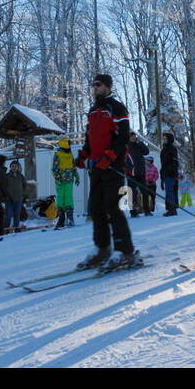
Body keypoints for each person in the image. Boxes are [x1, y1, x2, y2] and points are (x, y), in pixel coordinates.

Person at [73, 74, 140, 272]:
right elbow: (89, 140)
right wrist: (83, 156)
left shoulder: (117, 108)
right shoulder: (93, 111)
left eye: (98, 85)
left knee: (113, 207)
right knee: (96, 208)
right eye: (93, 84)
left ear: (108, 86)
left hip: (113, 168)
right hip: (96, 169)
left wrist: (108, 158)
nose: (94, 87)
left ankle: (125, 251)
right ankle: (102, 248)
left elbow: (123, 139)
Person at [51, 137, 79, 228]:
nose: (70, 145)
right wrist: (57, 178)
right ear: (65, 144)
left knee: (68, 198)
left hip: (69, 180)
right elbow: (54, 169)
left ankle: (70, 218)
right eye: (69, 143)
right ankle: (61, 219)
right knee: (60, 199)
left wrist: (77, 176)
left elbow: (73, 166)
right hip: (60, 182)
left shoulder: (70, 155)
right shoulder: (57, 155)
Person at [127, 131, 149, 217]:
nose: (133, 138)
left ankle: (147, 210)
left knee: (145, 191)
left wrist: (140, 143)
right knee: (132, 193)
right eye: (131, 136)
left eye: (134, 136)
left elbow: (146, 152)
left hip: (141, 173)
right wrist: (127, 168)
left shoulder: (138, 145)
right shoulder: (127, 146)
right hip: (131, 173)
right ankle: (133, 212)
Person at [159, 132, 180, 215]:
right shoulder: (164, 149)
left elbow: (174, 162)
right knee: (168, 191)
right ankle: (170, 208)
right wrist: (162, 176)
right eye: (163, 139)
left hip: (171, 173)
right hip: (165, 173)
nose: (164, 140)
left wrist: (171, 171)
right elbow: (163, 163)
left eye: (166, 139)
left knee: (170, 191)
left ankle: (172, 208)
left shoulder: (172, 149)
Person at [4, 159, 26, 232]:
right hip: (9, 199)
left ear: (18, 167)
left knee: (17, 216)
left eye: (15, 166)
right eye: (12, 166)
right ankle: (6, 230)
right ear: (10, 167)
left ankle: (16, 229)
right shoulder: (7, 176)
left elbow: (24, 186)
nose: (14, 168)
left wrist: (24, 195)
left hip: (18, 199)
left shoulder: (21, 176)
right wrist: (6, 196)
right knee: (8, 216)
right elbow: (4, 187)